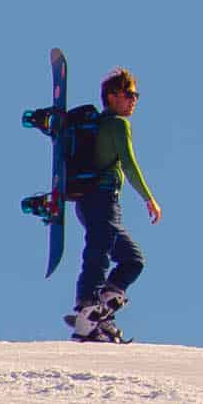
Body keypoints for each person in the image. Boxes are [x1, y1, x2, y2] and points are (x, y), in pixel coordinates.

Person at [64, 68, 161, 341]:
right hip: (102, 199)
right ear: (111, 96)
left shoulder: (99, 125)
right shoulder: (117, 124)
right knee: (99, 250)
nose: (134, 100)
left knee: (132, 260)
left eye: (136, 96)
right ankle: (87, 309)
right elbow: (128, 163)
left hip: (87, 204)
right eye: (129, 94)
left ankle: (101, 313)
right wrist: (149, 198)